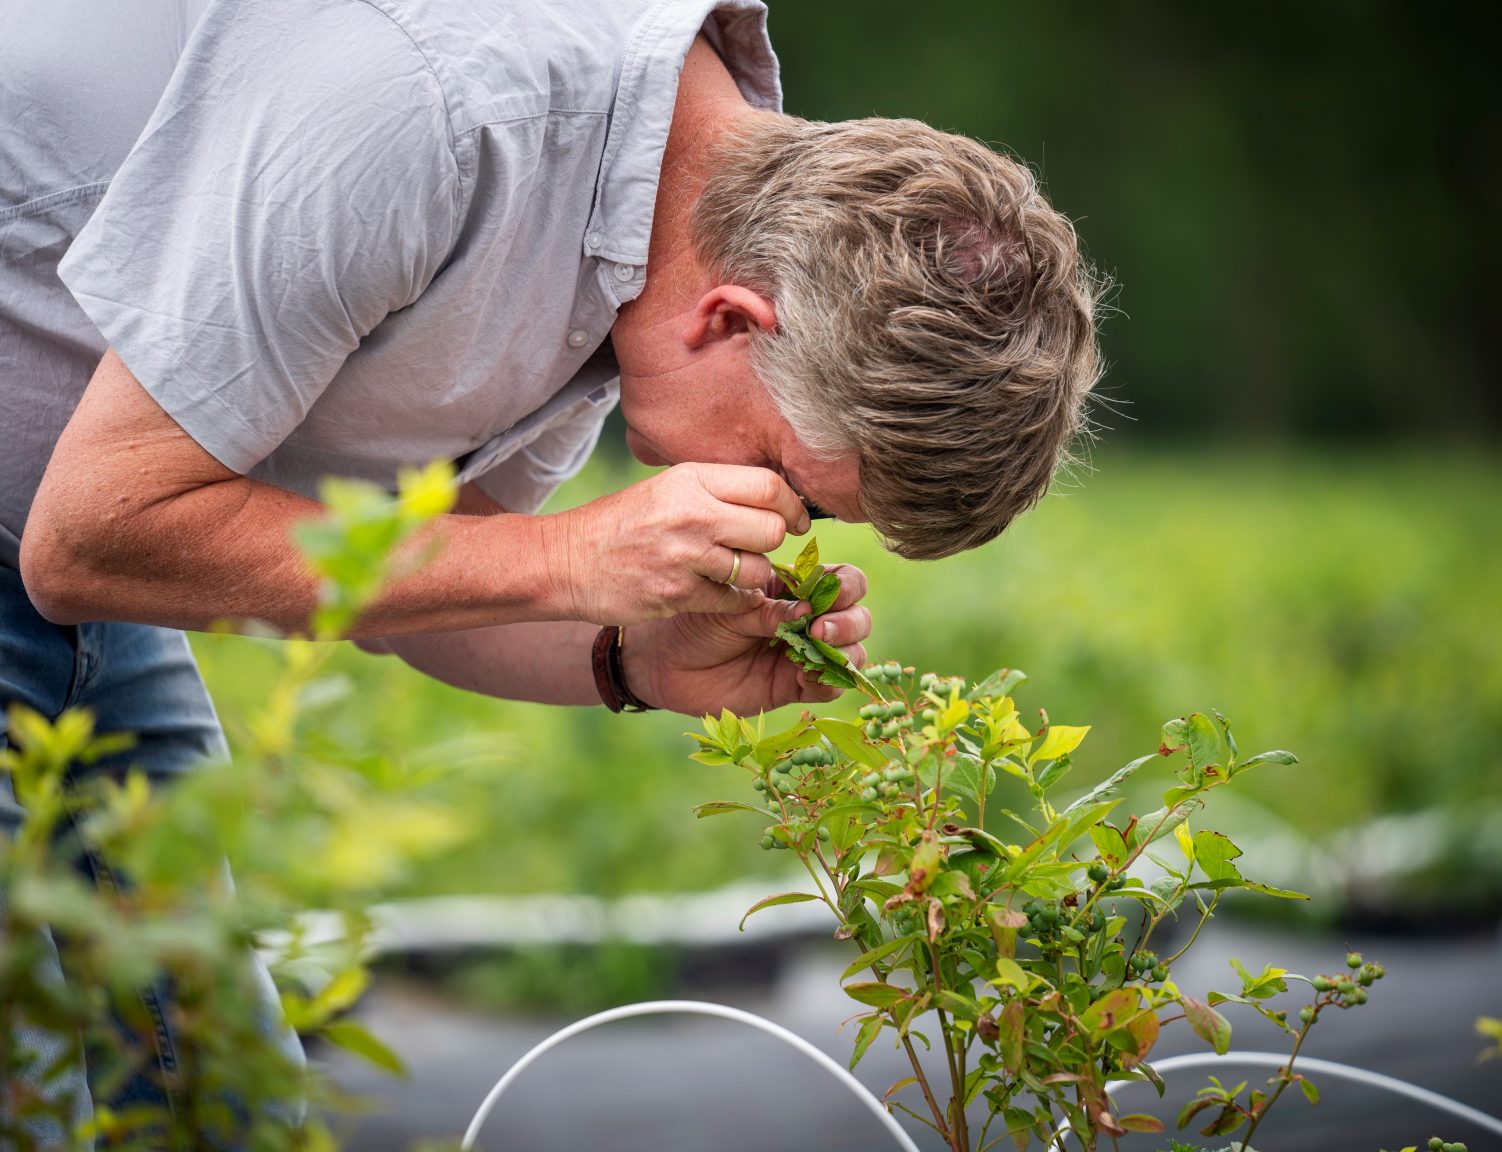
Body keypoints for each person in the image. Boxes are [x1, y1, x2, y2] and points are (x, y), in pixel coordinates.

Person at [0, 0, 1102, 1141]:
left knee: (215, 1102)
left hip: (70, 576)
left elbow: (414, 586)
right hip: (70, 539)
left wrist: (633, 658)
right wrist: (565, 552)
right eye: (798, 484)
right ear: (733, 320)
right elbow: (94, 535)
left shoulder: (648, 235)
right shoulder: (434, 106)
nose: (782, 529)